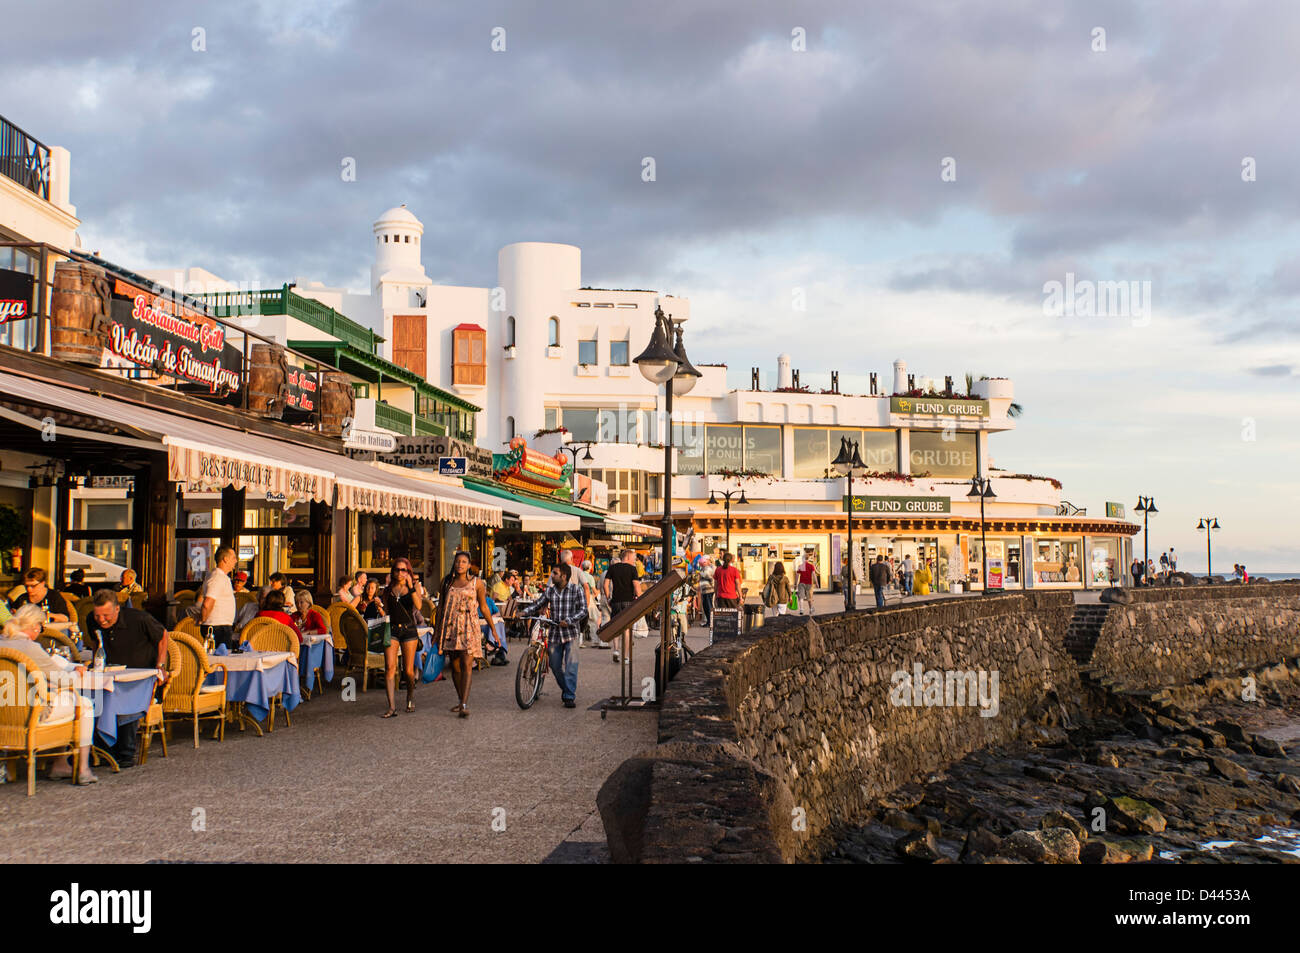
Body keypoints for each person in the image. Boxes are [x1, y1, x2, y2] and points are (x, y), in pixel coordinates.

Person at [1, 604, 97, 784]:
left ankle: (59, 763)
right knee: (84, 704)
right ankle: (83, 769)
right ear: (36, 626)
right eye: (42, 627)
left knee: (59, 697)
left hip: (3, 714)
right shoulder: (31, 648)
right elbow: (63, 680)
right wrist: (78, 672)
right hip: (31, 715)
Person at [88, 590, 169, 768]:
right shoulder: (91, 619)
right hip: (110, 672)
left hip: (141, 674)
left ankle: (125, 752)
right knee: (90, 694)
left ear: (117, 609)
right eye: (98, 615)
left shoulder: (138, 619)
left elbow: (163, 636)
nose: (101, 620)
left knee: (127, 695)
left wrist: (161, 666)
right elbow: (96, 642)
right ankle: (100, 749)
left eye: (106, 616)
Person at [516, 562, 588, 708]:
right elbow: (538, 604)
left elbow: (583, 610)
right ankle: (567, 689)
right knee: (555, 666)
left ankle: (569, 696)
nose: (552, 576)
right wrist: (524, 612)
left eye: (555, 573)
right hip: (555, 633)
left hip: (571, 633)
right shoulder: (550, 591)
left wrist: (569, 620)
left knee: (571, 666)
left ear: (564, 576)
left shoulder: (576, 590)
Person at [434, 551, 493, 718]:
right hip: (451, 627)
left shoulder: (477, 583)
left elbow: (484, 607)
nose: (460, 564)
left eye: (464, 561)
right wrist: (437, 631)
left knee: (467, 665)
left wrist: (493, 630)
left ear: (469, 565)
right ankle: (461, 700)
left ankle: (464, 704)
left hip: (469, 627)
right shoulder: (447, 581)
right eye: (458, 561)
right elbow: (440, 608)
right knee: (455, 666)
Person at [373, 559, 428, 718]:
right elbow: (387, 615)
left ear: (408, 571)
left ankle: (410, 697)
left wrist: (411, 587)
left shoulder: (413, 587)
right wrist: (379, 607)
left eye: (403, 570)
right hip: (392, 630)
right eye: (397, 570)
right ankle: (391, 707)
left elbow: (418, 606)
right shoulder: (388, 590)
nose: (400, 573)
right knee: (390, 667)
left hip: (409, 630)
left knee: (408, 671)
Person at [604, 549, 642, 664]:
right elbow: (636, 586)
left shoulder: (613, 568)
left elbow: (606, 585)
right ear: (628, 557)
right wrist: (640, 598)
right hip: (628, 602)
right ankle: (626, 657)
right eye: (634, 558)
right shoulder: (632, 569)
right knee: (626, 629)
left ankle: (616, 650)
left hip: (615, 601)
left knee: (616, 626)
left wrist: (608, 598)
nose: (634, 560)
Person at [197, 547, 238, 650]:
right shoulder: (217, 578)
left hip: (220, 626)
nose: (236, 561)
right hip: (217, 627)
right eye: (233, 558)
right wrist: (203, 619)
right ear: (225, 559)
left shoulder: (220, 577)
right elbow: (207, 603)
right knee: (221, 661)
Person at [795, 552, 818, 616]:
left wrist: (795, 584)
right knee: (809, 597)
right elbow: (814, 575)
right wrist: (816, 583)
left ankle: (801, 609)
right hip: (809, 584)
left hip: (801, 583)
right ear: (808, 558)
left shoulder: (800, 566)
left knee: (801, 597)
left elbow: (797, 575)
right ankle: (810, 609)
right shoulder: (811, 566)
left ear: (803, 558)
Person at [696, 556, 715, 627]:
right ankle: (708, 621)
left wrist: (701, 574)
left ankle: (711, 622)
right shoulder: (703, 568)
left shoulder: (708, 568)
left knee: (708, 606)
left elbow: (709, 577)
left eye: (702, 563)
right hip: (704, 590)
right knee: (705, 606)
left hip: (709, 590)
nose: (701, 564)